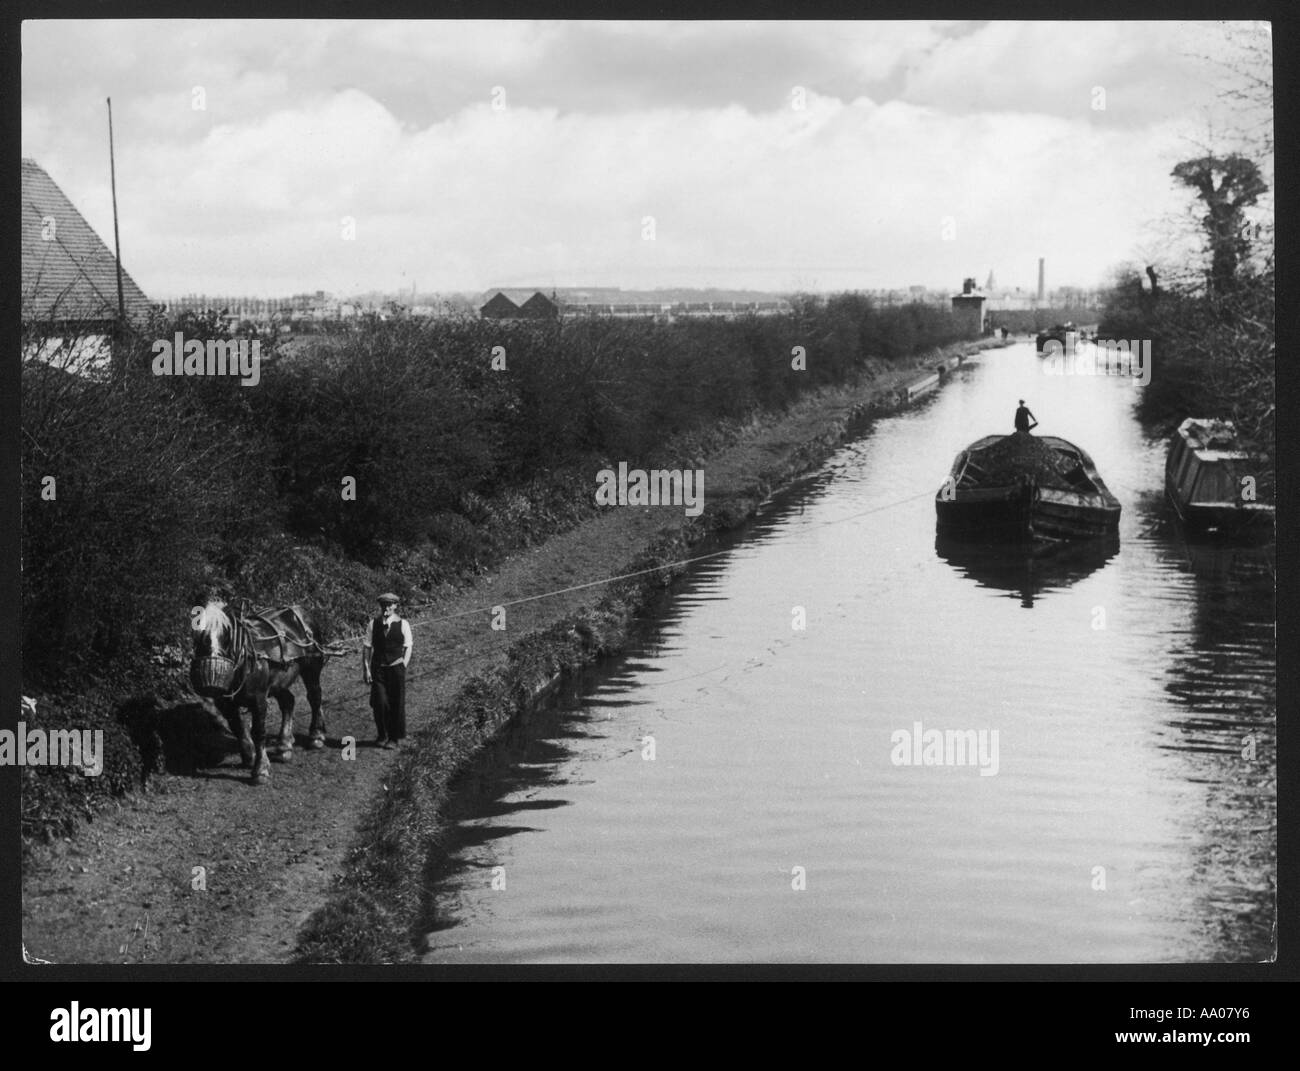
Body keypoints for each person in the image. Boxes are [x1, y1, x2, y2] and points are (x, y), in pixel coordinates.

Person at [362, 592, 412, 749]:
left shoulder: (403, 624)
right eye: (384, 605)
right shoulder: (373, 624)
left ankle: (393, 738)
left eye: (390, 605)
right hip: (378, 670)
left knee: (396, 703)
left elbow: (408, 646)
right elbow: (367, 647)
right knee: (380, 703)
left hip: (396, 669)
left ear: (395, 606)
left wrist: (403, 664)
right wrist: (367, 669)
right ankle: (382, 734)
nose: (386, 608)